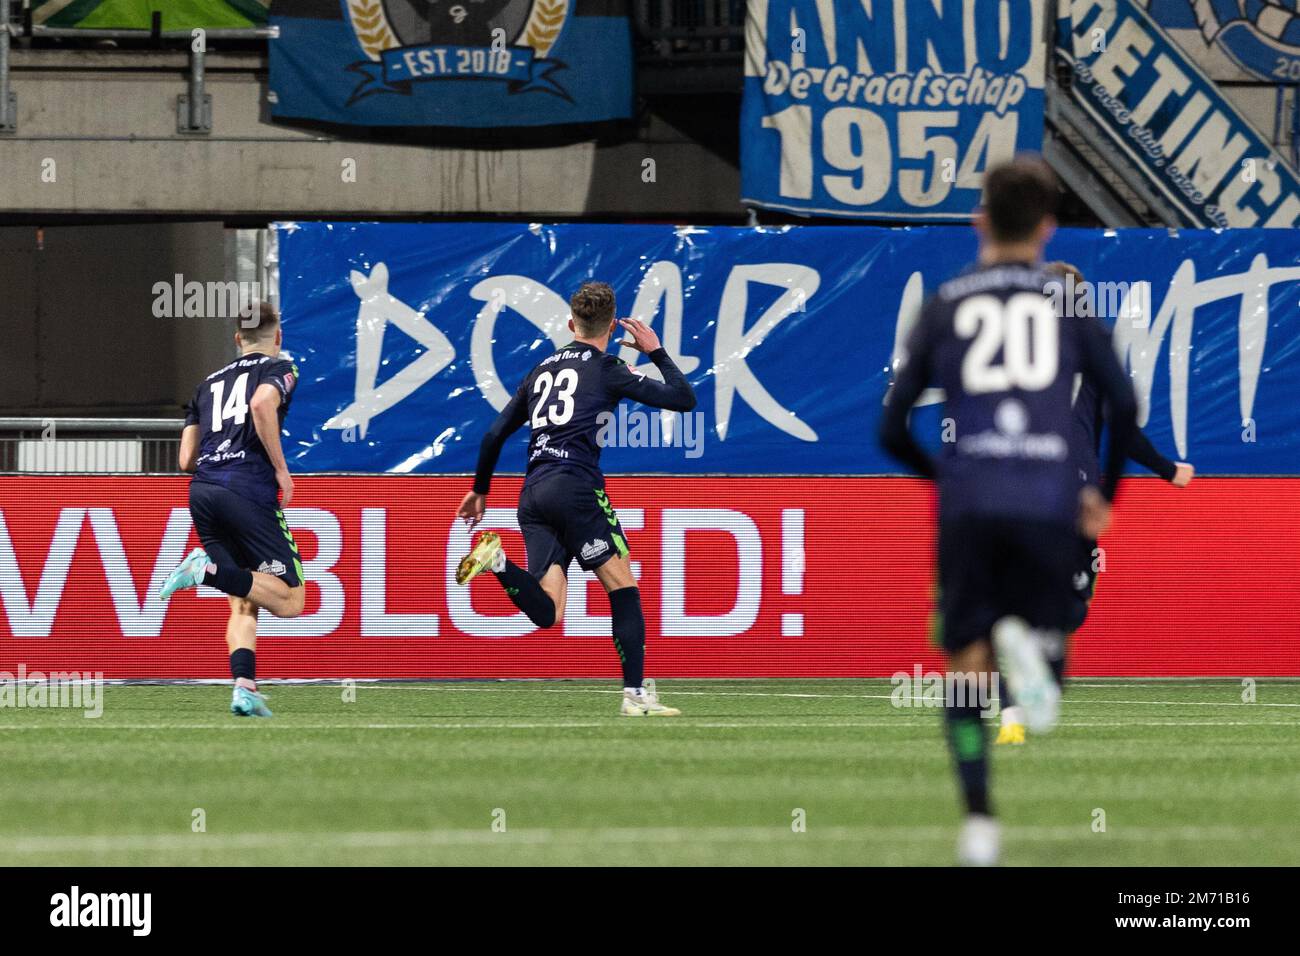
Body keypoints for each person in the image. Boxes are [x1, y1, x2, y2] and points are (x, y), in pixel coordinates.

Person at [879, 157, 1139, 865]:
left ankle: (979, 820)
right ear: (1049, 227)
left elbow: (892, 425)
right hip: (1048, 499)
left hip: (972, 503)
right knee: (1050, 641)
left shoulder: (948, 301)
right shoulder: (1071, 310)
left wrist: (945, 477)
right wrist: (1102, 500)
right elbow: (1124, 405)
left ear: (979, 220)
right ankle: (1036, 649)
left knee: (965, 668)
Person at [454, 282, 696, 717]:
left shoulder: (541, 370)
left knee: (548, 612)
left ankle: (498, 562)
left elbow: (494, 434)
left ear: (571, 323)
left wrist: (480, 490)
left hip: (533, 493)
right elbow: (683, 398)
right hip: (576, 487)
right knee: (623, 589)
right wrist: (655, 351)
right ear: (613, 324)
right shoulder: (610, 367)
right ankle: (636, 696)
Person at [994, 262, 1195, 745]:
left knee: (1023, 602)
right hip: (1072, 487)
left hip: (1019, 482)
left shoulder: (1009, 350)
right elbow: (1122, 421)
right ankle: (1026, 680)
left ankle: (1011, 713)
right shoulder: (1088, 350)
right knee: (1072, 604)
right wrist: (1168, 470)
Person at [158, 302, 305, 718]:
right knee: (291, 601)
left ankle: (244, 688)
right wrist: (281, 469)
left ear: (238, 339)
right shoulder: (281, 369)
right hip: (246, 490)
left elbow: (186, 458)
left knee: (243, 597)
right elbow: (261, 404)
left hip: (203, 492)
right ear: (276, 338)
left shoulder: (205, 385)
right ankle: (202, 570)